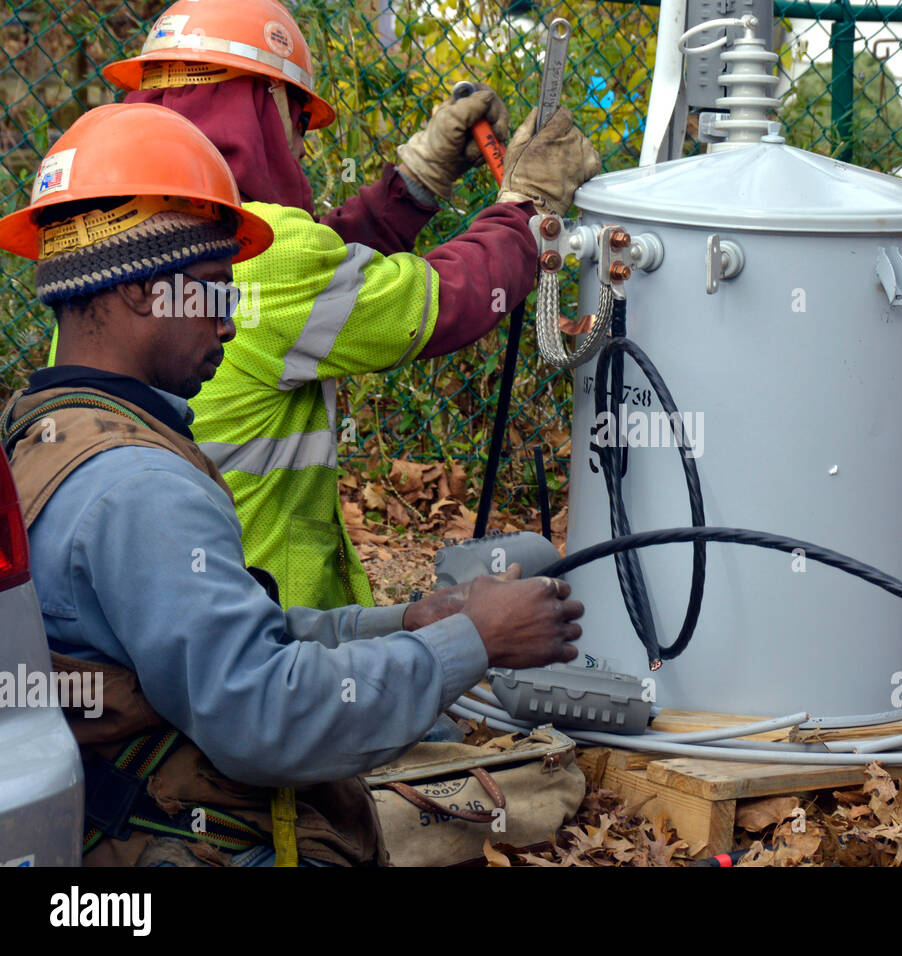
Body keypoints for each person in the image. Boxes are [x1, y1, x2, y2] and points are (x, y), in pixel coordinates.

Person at [0, 103, 583, 867]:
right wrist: (474, 640)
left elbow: (228, 646)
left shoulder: (42, 426)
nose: (231, 324)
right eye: (214, 289)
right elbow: (262, 716)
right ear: (143, 293)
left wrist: (409, 622)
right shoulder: (140, 488)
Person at [97, 0, 601, 609]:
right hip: (265, 627)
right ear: (257, 106)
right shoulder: (268, 254)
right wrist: (530, 209)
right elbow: (437, 301)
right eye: (298, 115)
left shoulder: (112, 230)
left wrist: (415, 184)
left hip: (144, 609)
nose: (303, 144)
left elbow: (318, 281)